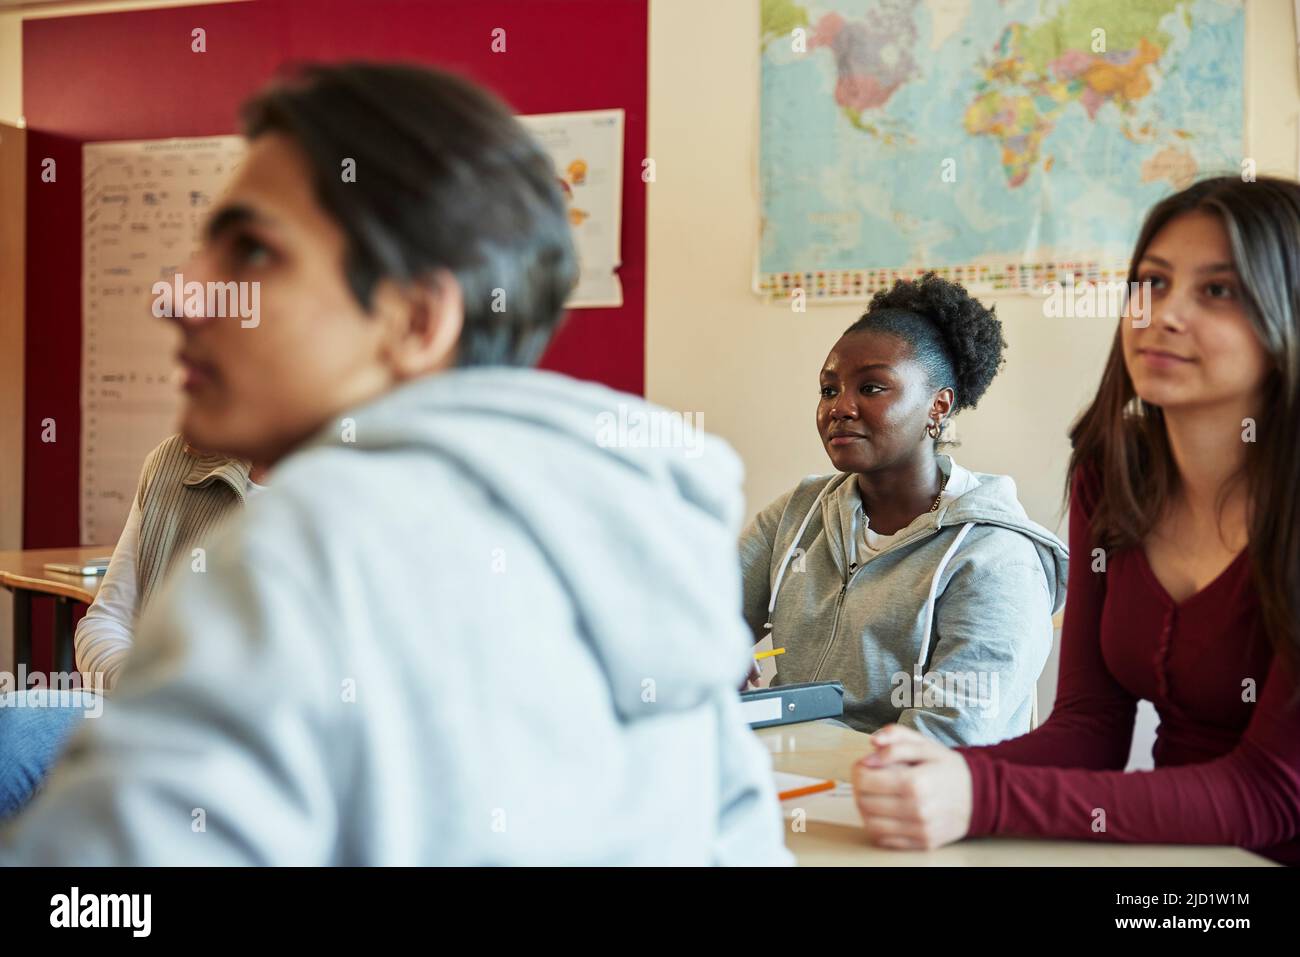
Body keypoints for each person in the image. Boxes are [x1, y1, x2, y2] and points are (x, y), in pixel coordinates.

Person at [0, 62, 789, 865]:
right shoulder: (644, 528)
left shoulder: (300, 554)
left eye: (252, 252)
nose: (180, 294)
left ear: (417, 319)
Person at [851, 176, 1300, 865]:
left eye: (1218, 290)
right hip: (1188, 864)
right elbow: (1091, 729)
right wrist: (943, 769)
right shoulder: (1111, 474)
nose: (1162, 313)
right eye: (1152, 281)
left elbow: (1268, 794)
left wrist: (982, 794)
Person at [740, 274, 1066, 744]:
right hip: (783, 776)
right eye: (829, 390)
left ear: (938, 406)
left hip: (907, 798)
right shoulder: (799, 513)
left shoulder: (997, 554)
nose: (840, 408)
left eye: (871, 388)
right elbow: (694, 618)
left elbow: (947, 737)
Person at [0, 437, 265, 817]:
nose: (182, 377)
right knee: (13, 730)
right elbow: (105, 623)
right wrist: (150, 694)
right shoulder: (171, 461)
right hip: (145, 710)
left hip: (244, 744)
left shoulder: (350, 491)